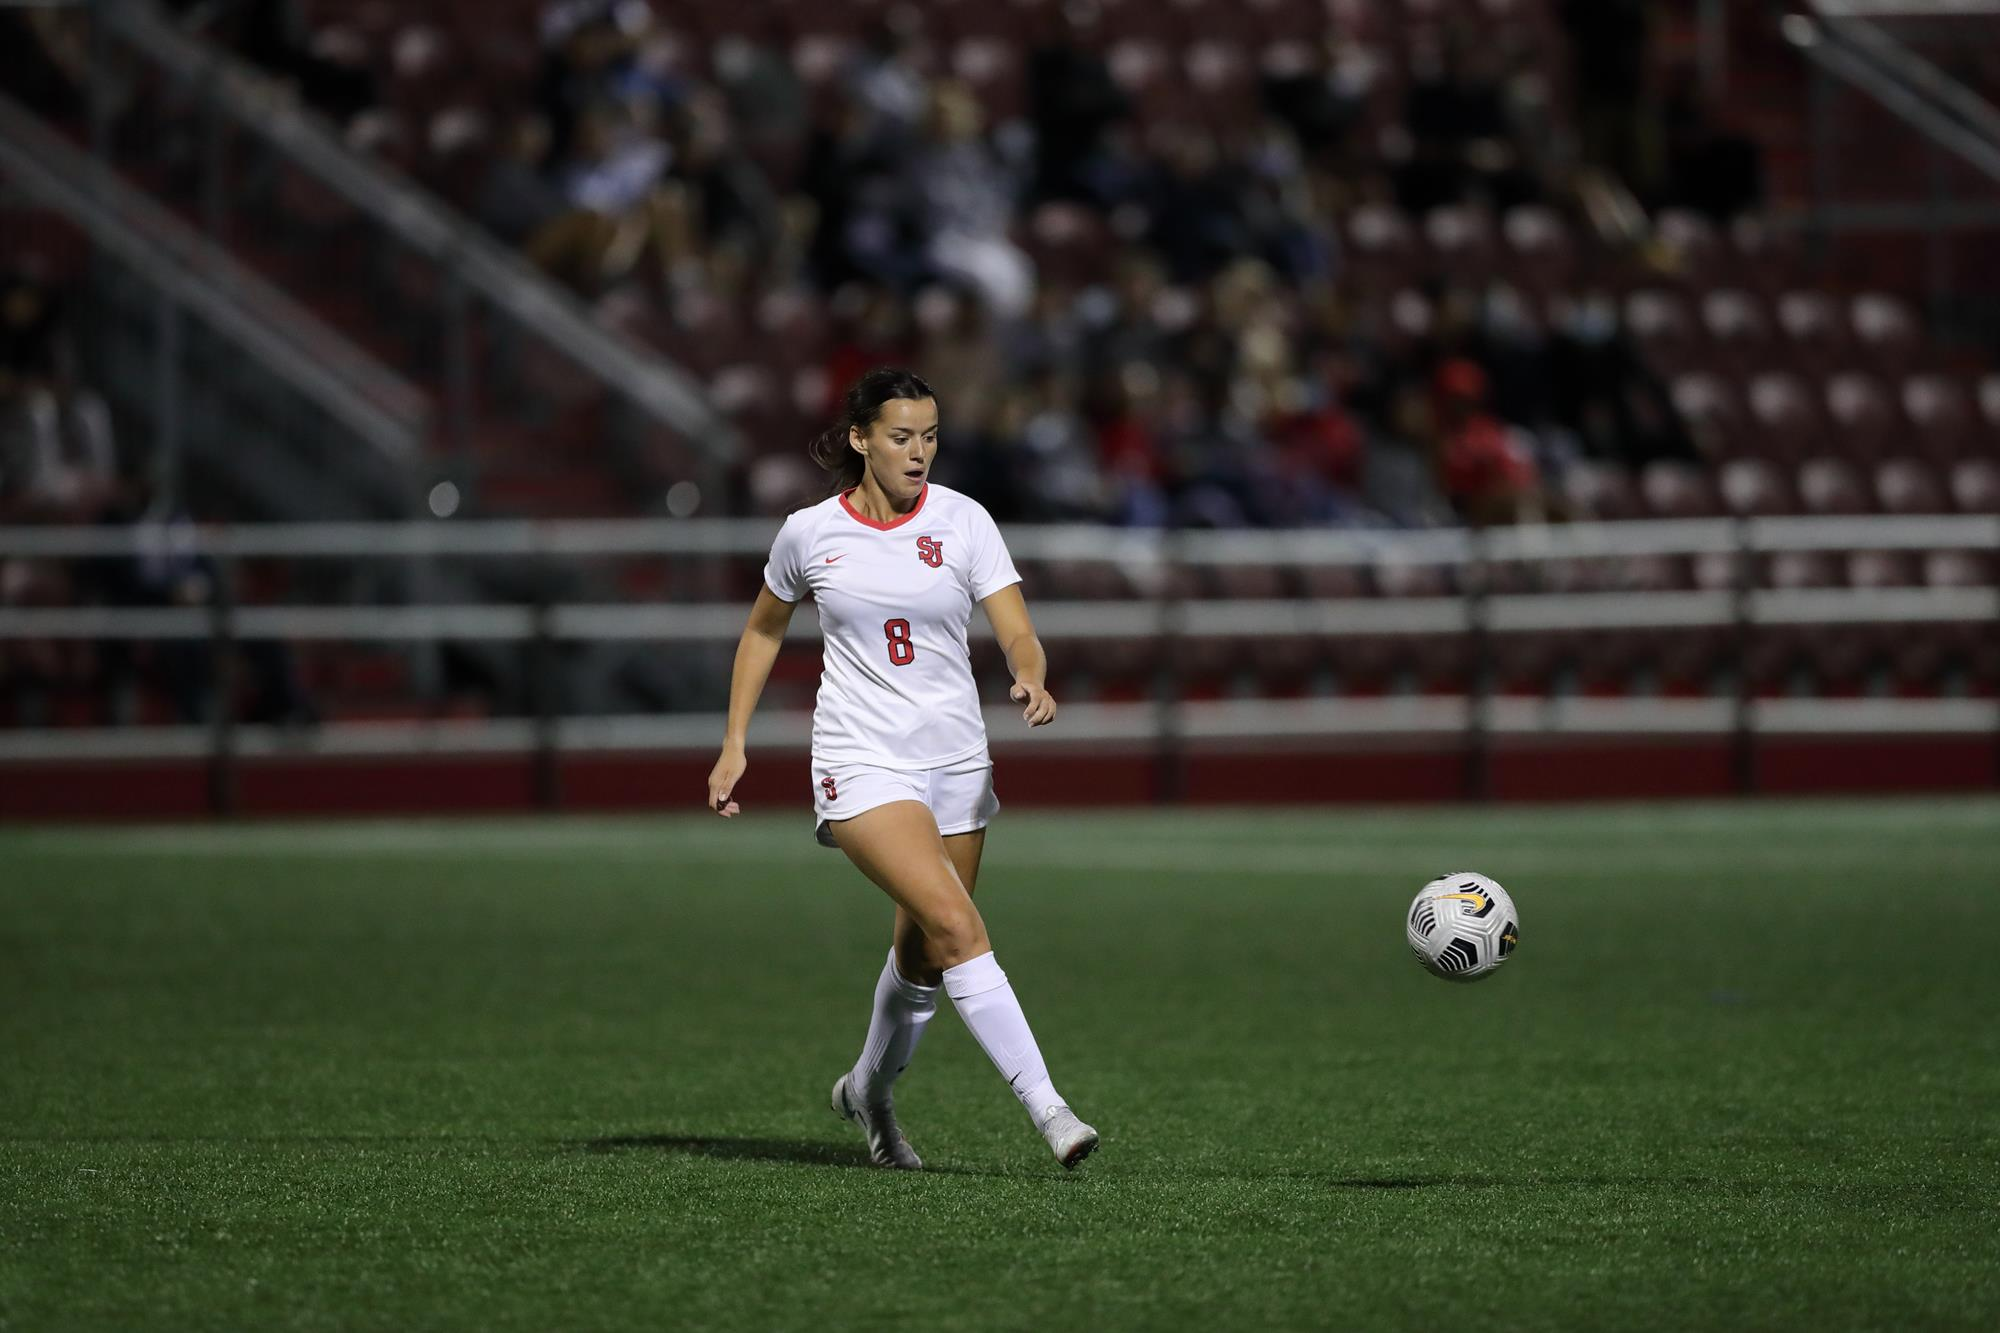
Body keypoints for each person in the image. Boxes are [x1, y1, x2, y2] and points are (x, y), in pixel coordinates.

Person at [705, 367, 1099, 1171]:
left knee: (923, 953)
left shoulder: (964, 520)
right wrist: (735, 742)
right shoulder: (809, 533)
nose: (918, 452)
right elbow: (762, 632)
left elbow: (1017, 628)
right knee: (959, 929)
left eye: (929, 436)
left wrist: (1030, 672)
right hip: (861, 758)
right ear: (860, 439)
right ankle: (1051, 1110)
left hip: (955, 759)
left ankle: (869, 1095)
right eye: (900, 436)